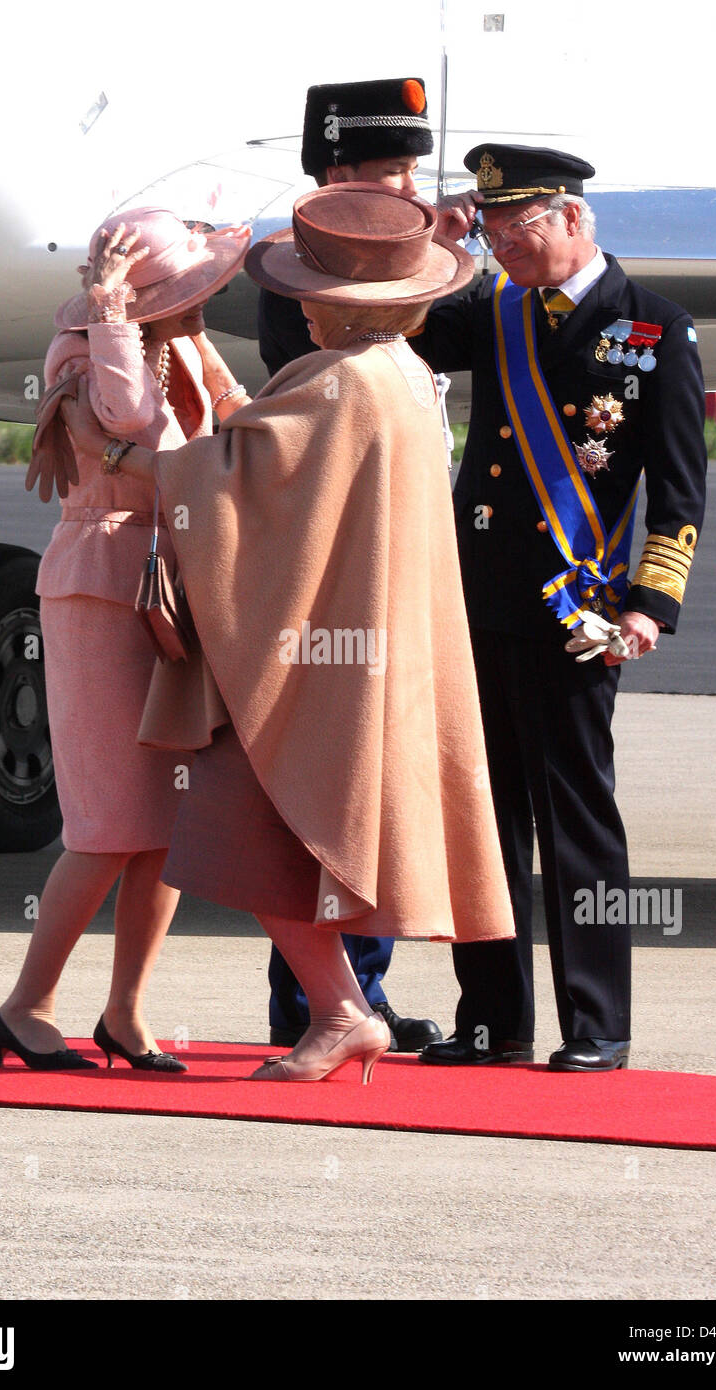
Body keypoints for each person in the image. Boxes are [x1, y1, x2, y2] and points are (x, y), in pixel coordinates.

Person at [64, 183, 517, 1083]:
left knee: (248, 812)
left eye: (312, 290)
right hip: (359, 647)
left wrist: (115, 454)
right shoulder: (404, 376)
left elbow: (225, 478)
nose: (300, 305)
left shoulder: (336, 382)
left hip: (314, 662)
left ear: (346, 304)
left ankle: (344, 1010)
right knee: (270, 828)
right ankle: (342, 1010)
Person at [411, 144, 707, 1071]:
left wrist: (652, 603)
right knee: (482, 815)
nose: (503, 245)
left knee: (575, 816)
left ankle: (596, 1025)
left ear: (573, 218)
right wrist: (433, 246)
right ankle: (493, 1021)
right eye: (493, 228)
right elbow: (384, 331)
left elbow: (681, 491)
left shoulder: (653, 328)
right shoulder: (491, 309)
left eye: (516, 228)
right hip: (480, 598)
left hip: (581, 608)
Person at [0, 208, 250, 1072]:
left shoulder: (177, 345)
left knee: (166, 827)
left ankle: (125, 1014)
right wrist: (112, 313)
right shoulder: (90, 349)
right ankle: (27, 1007)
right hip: (103, 595)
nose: (201, 303)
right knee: (104, 824)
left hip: (170, 593)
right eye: (185, 292)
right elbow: (129, 415)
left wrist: (196, 343)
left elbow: (236, 426)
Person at [258, 76, 449, 1054]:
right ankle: (320, 1002)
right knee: (324, 803)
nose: (411, 187)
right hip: (333, 589)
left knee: (364, 800)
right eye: (391, 173)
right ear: (339, 181)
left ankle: (349, 995)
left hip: (373, 590)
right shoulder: (311, 289)